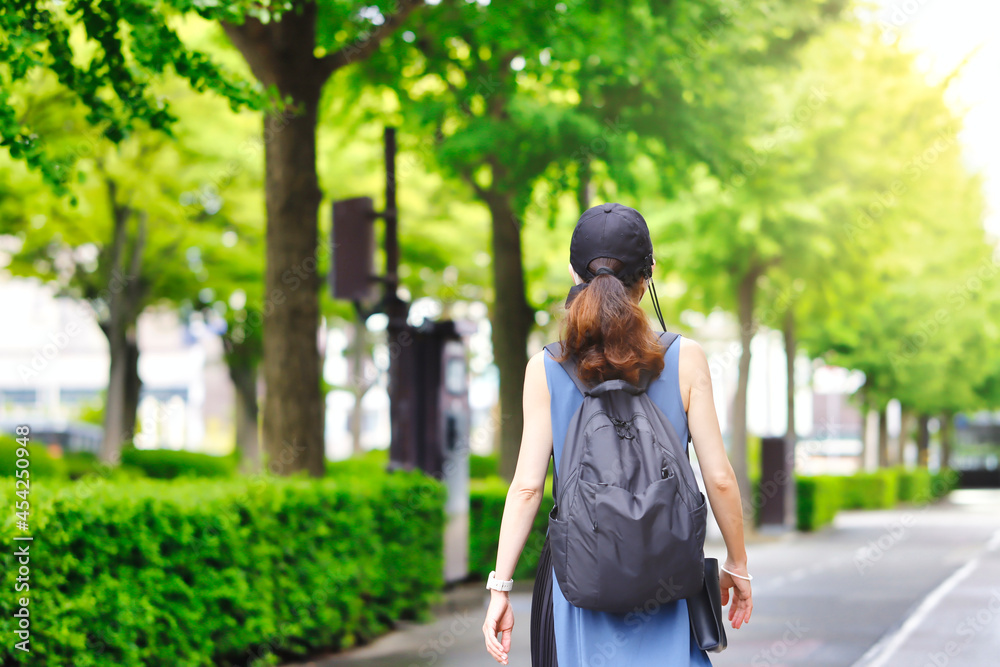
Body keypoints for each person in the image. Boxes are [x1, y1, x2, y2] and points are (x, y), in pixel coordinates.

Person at [482, 203, 753, 666]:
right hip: (666, 576)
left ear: (573, 272)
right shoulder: (685, 359)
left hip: (579, 579)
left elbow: (527, 487)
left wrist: (500, 588)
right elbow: (720, 478)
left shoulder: (546, 367)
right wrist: (737, 563)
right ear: (647, 278)